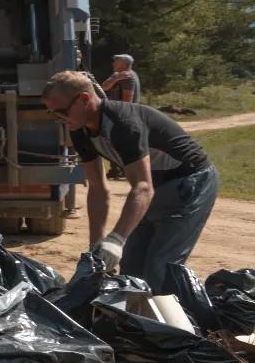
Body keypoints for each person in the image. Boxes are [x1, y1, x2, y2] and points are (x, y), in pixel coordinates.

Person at [42, 70, 217, 283]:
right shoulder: (79, 129)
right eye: (52, 114)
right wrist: (96, 246)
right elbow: (97, 188)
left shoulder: (124, 124)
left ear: (84, 99)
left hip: (190, 182)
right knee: (131, 268)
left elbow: (142, 187)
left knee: (160, 269)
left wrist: (116, 239)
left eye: (61, 112)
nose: (59, 119)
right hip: (158, 186)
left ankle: (170, 314)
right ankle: (133, 314)